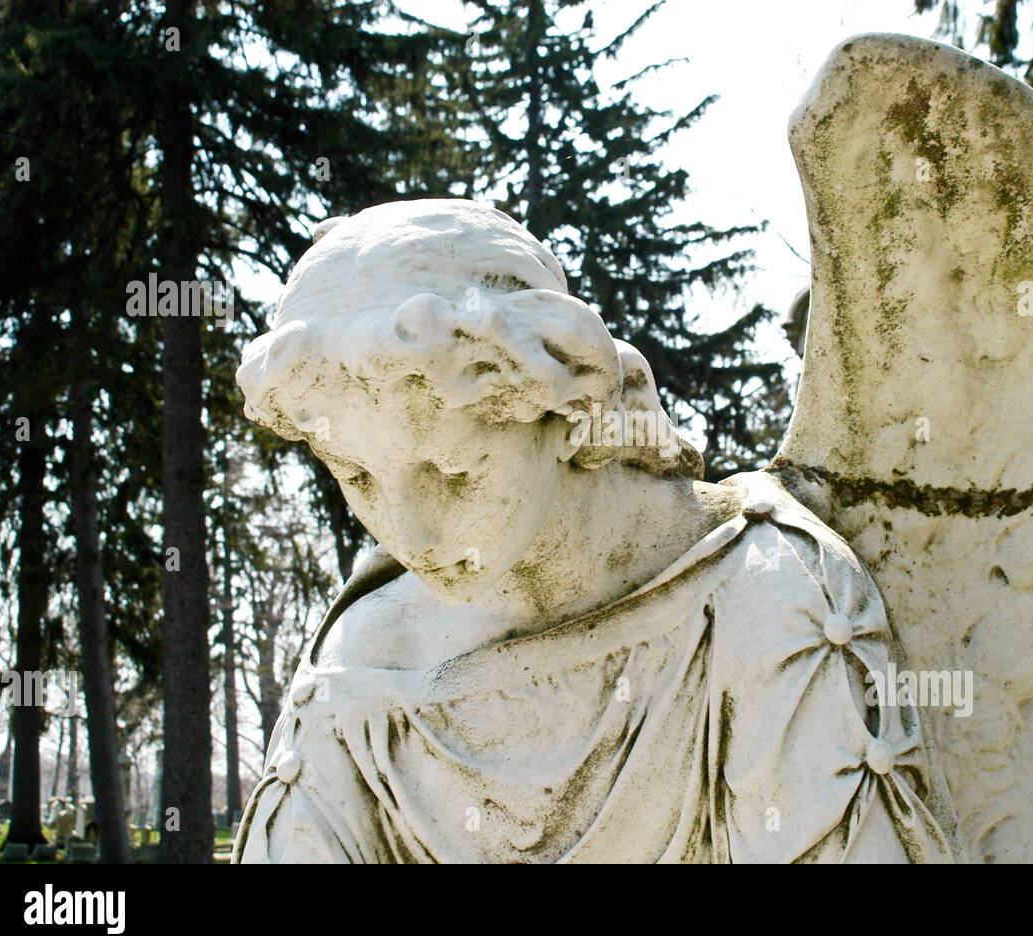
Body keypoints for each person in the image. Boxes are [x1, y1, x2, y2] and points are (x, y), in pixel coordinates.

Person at [233, 199, 958, 863]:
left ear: (561, 409)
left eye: (451, 472)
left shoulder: (764, 599)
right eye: (359, 479)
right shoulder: (363, 667)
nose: (410, 532)